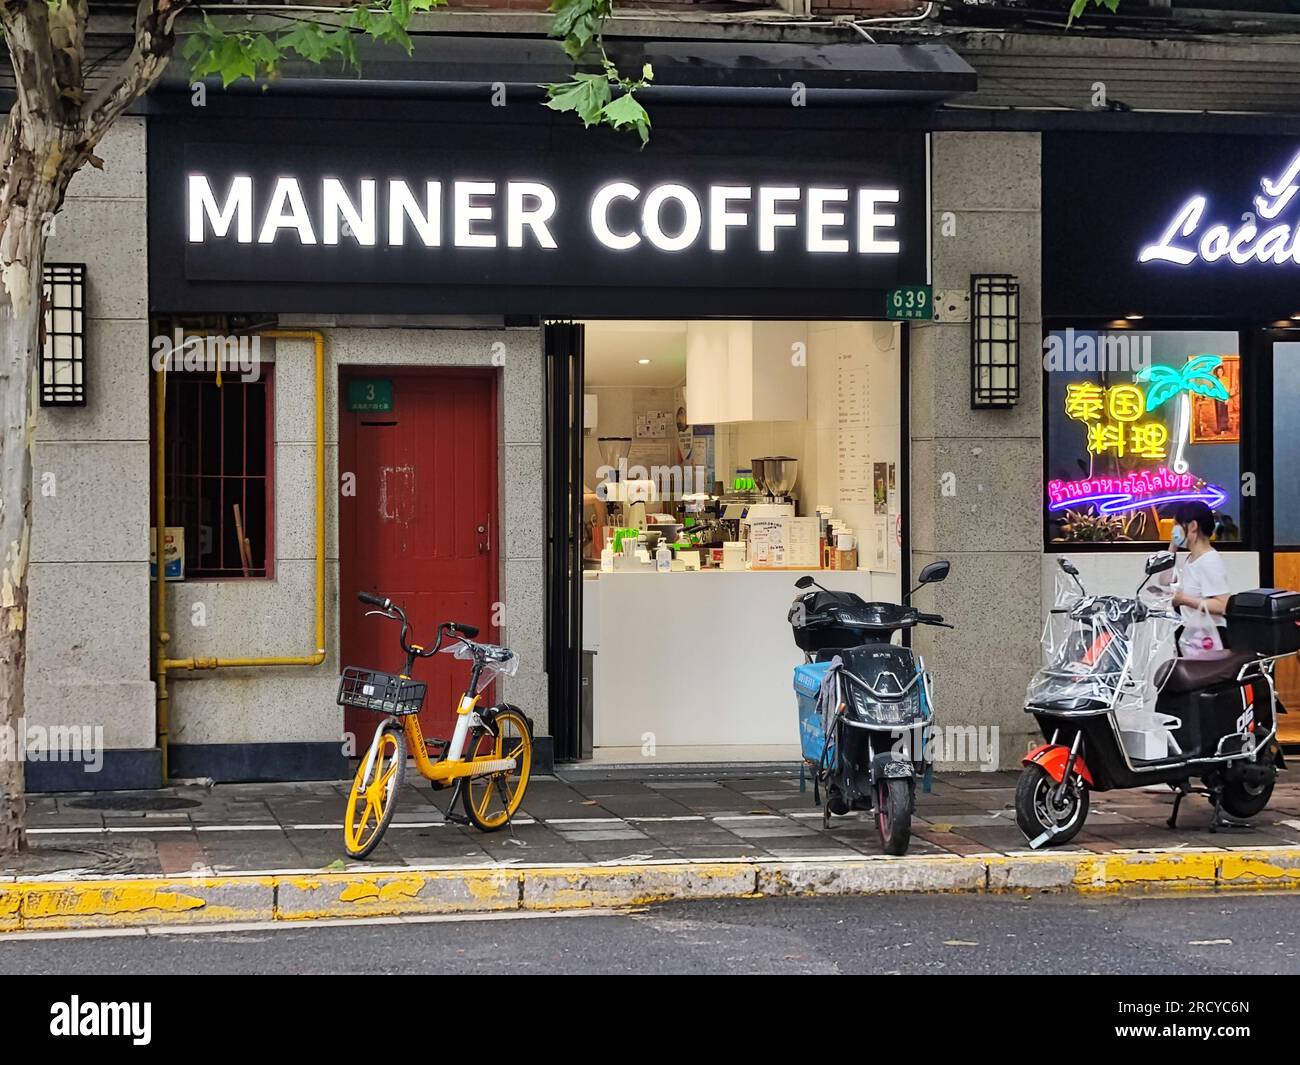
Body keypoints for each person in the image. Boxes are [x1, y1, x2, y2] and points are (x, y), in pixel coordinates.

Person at [1167, 500, 1230, 655]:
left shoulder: (1209, 560)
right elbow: (1164, 580)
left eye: (1178, 525)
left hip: (1208, 640)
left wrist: (1183, 600)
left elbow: (1222, 605)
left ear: (1193, 526)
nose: (1174, 530)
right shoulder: (1191, 559)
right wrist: (1172, 547)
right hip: (1192, 637)